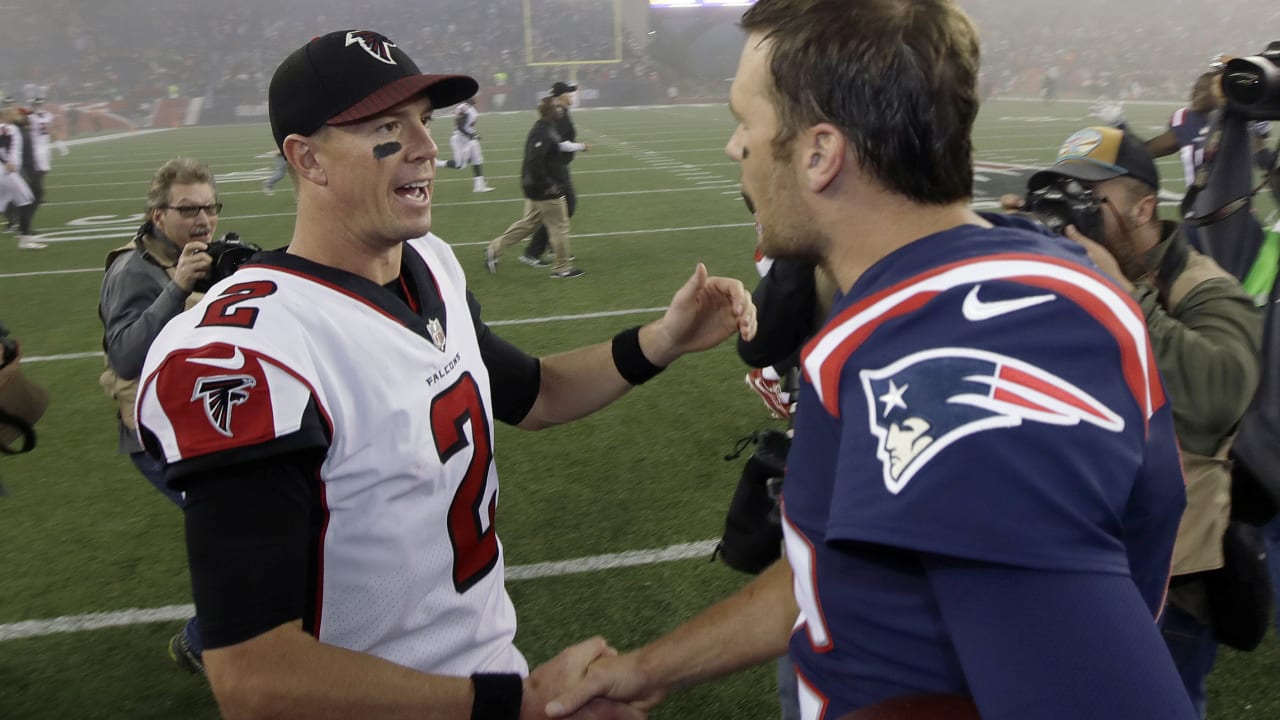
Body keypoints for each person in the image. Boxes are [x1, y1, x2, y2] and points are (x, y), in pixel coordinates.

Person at [545, 2, 1196, 719]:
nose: (736, 148)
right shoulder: (943, 293)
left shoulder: (954, 353)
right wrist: (648, 670)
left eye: (746, 121)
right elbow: (836, 571)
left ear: (819, 153)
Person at [133, 29, 754, 720]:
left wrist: (663, 341)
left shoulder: (427, 263)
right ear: (307, 158)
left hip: (484, 678)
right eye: (386, 128)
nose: (427, 146)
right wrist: (515, 704)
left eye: (423, 120)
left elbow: (536, 392)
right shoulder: (250, 351)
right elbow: (254, 678)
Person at [1011, 126, 1263, 719]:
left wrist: (1119, 292)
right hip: (1068, 555)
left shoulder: (1203, 289)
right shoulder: (1064, 274)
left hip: (1166, 579)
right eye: (1059, 196)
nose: (1068, 215)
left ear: (1143, 208)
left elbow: (1219, 395)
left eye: (1087, 199)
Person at [98, 157, 220, 674]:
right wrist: (178, 288)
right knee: (236, 528)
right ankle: (201, 641)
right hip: (154, 436)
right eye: (188, 209)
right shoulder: (132, 271)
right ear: (157, 215)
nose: (203, 219)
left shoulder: (203, 255)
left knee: (245, 525)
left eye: (210, 207)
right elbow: (125, 356)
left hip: (200, 420)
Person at [485, 96, 589, 279]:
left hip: (537, 188)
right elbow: (534, 162)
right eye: (556, 107)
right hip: (544, 190)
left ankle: (494, 250)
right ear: (548, 111)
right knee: (559, 227)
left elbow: (556, 148)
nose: (560, 109)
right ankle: (562, 268)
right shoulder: (542, 132)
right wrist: (548, 185)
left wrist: (579, 146)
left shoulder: (548, 128)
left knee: (528, 224)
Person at [520, 81, 580, 268]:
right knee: (564, 208)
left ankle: (552, 246)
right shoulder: (558, 115)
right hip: (554, 170)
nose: (572, 96)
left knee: (551, 213)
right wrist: (580, 146)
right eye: (569, 93)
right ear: (560, 96)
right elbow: (555, 143)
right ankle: (535, 251)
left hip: (558, 167)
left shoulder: (561, 112)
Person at [0, 104, 42, 250]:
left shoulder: (11, 127)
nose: (18, 115)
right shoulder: (6, 127)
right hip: (6, 172)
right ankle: (25, 240)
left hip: (8, 171)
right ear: (7, 115)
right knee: (26, 201)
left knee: (7, 204)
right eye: (14, 113)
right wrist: (6, 162)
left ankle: (25, 239)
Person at [435, 95, 495, 193]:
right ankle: (437, 163)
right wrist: (472, 135)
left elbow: (466, 126)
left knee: (477, 159)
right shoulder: (465, 108)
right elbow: (460, 127)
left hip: (468, 139)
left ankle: (479, 186)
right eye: (472, 96)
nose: (475, 98)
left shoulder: (467, 107)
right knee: (460, 165)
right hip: (460, 140)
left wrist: (473, 135)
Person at [24, 97, 67, 229]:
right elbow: (26, 129)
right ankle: (35, 192)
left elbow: (51, 129)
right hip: (35, 147)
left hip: (45, 146)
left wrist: (59, 142)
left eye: (40, 104)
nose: (39, 106)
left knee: (44, 170)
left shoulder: (47, 115)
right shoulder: (29, 117)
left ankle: (35, 191)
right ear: (33, 106)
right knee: (39, 171)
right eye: (36, 105)